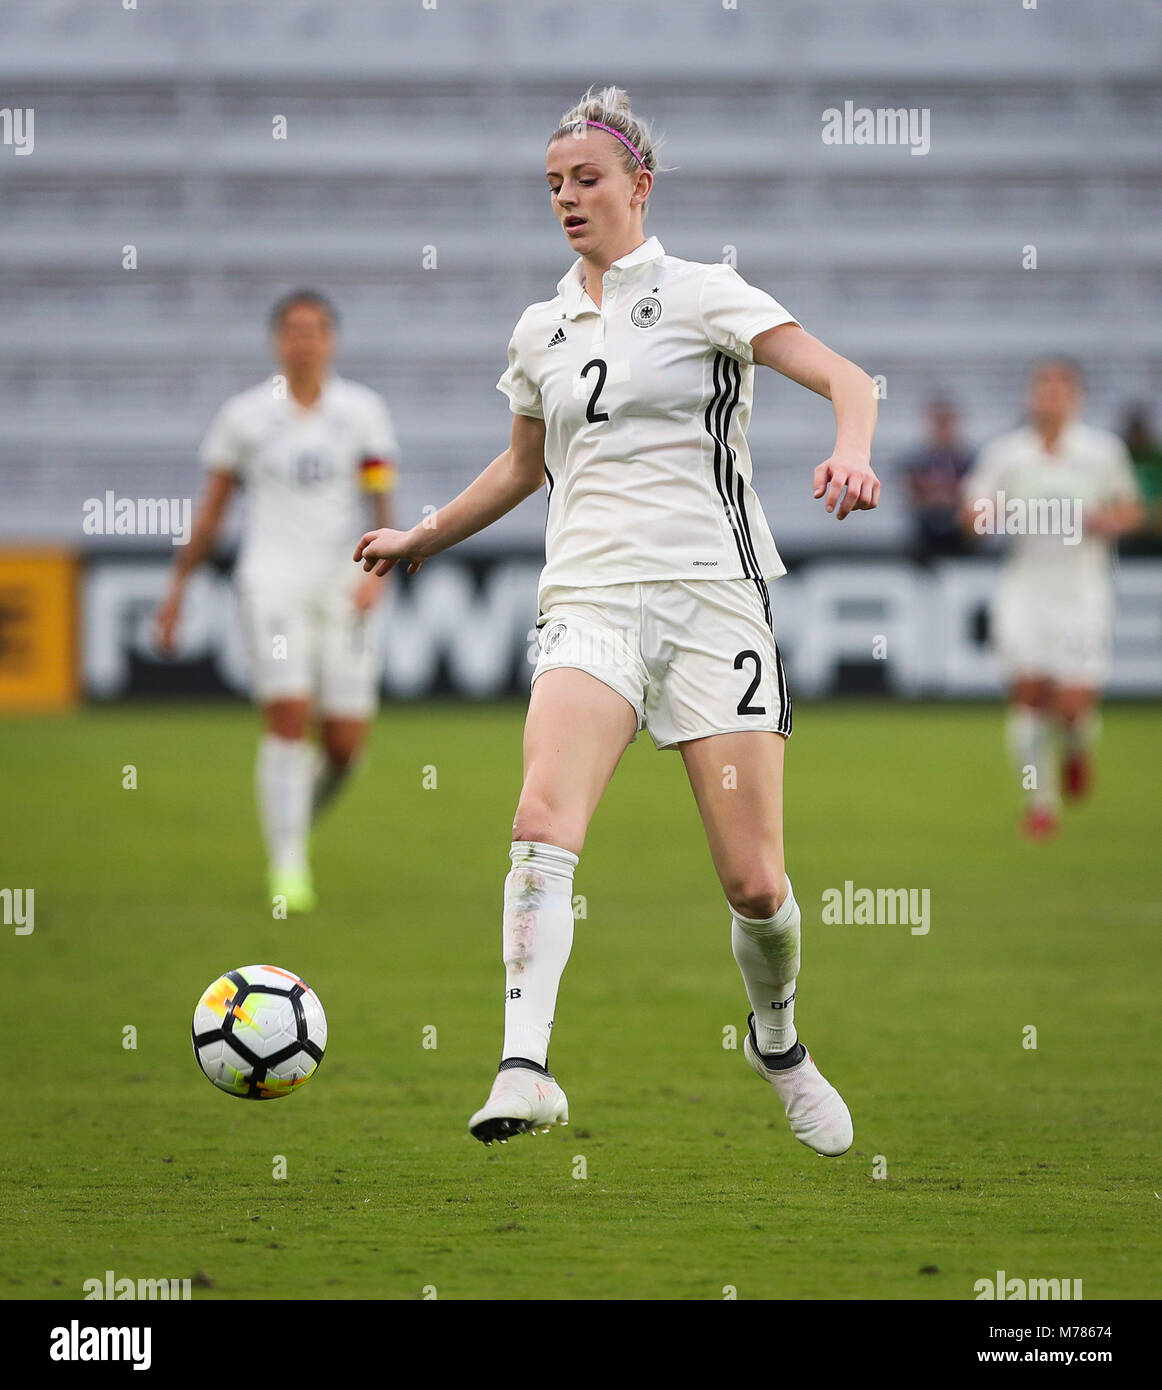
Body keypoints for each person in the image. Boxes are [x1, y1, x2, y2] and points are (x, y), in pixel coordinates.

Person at [356, 86, 879, 1155]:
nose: (566, 198)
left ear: (639, 186)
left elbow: (842, 376)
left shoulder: (705, 294)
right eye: (552, 184)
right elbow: (521, 467)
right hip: (587, 601)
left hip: (711, 601)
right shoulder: (540, 326)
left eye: (585, 180)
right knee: (541, 817)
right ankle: (524, 1062)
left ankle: (774, 1040)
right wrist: (422, 537)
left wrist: (851, 446)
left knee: (754, 881)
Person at [156, 290, 401, 910]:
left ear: (331, 340)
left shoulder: (362, 412)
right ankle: (288, 866)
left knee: (344, 747)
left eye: (315, 330)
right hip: (271, 582)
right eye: (293, 330)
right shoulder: (244, 417)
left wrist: (379, 574)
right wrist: (177, 589)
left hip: (343, 582)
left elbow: (381, 501)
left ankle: (293, 827)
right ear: (277, 341)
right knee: (289, 717)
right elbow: (212, 510)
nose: (304, 341)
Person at [960, 359, 1143, 839]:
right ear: (1030, 396)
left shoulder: (1102, 452)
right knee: (1029, 696)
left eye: (1061, 389)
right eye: (1043, 388)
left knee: (1072, 706)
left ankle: (1078, 748)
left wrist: (1109, 521)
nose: (1050, 397)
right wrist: (987, 515)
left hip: (1082, 592)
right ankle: (1041, 805)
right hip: (1025, 588)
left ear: (1076, 397)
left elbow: (1131, 509)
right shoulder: (1008, 454)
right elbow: (972, 514)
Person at [898, 397, 973, 557]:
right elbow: (911, 493)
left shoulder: (967, 459)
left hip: (959, 532)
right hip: (925, 531)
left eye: (946, 422)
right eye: (939, 422)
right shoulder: (916, 459)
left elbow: (973, 492)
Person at [1121, 404, 1162, 536]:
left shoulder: (1156, 458)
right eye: (1135, 432)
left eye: (1140, 432)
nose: (1138, 437)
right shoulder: (1121, 456)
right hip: (1127, 519)